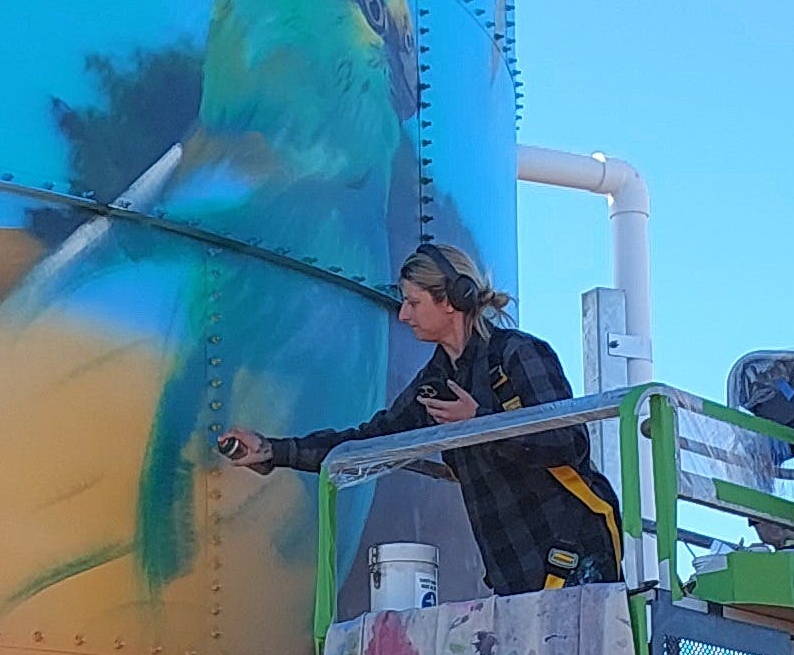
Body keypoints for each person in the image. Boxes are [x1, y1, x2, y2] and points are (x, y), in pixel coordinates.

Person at [219, 241, 626, 596]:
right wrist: (273, 451)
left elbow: (569, 443)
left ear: (450, 301)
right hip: (512, 571)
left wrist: (482, 423)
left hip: (573, 551)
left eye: (413, 302)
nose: (403, 315)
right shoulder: (435, 384)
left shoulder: (518, 354)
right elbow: (370, 442)